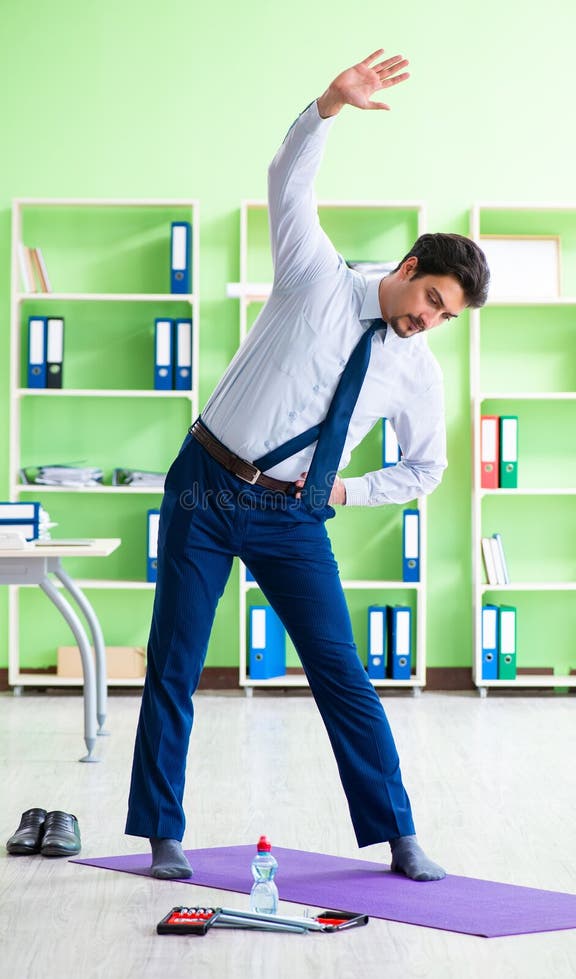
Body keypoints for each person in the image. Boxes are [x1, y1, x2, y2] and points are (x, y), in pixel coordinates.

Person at [125, 49, 489, 882]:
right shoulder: (313, 276)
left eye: (447, 316)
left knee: (340, 671)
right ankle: (161, 832)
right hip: (207, 485)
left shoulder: (417, 370)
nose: (430, 320)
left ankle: (399, 835)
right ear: (406, 271)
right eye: (431, 299)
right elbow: (289, 178)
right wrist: (328, 105)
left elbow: (425, 467)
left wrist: (347, 487)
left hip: (292, 515)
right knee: (175, 658)